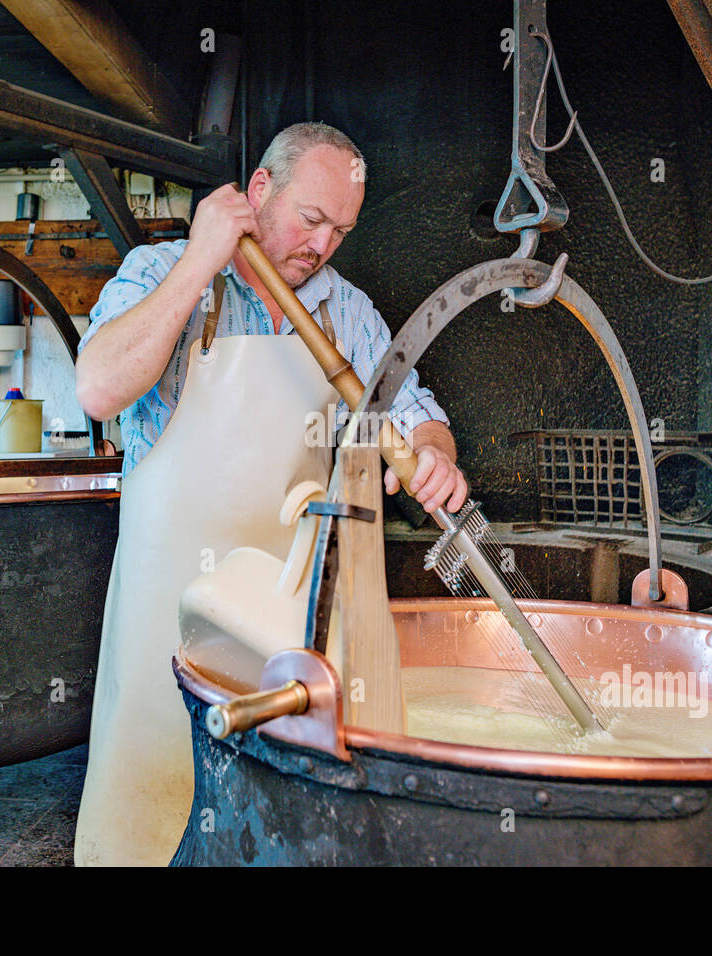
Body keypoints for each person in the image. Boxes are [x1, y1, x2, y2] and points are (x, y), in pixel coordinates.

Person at [72, 122, 467, 866]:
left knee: (278, 829)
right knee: (148, 824)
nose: (321, 244)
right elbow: (96, 387)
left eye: (340, 231)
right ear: (259, 191)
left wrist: (435, 457)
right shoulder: (161, 270)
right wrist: (199, 262)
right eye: (310, 219)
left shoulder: (346, 313)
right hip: (166, 626)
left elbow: (417, 414)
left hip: (291, 627)